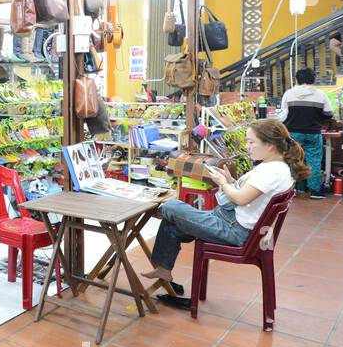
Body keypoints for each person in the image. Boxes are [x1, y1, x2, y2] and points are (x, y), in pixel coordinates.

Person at [140, 119, 308, 284]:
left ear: (269, 145)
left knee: (171, 206)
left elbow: (241, 199)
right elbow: (248, 195)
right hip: (233, 219)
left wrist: (223, 183)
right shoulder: (273, 166)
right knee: (172, 219)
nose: (247, 146)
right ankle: (164, 269)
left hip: (236, 231)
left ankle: (153, 214)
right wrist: (230, 181)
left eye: (251, 142)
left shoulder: (272, 172)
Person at [279, 67, 331, 199]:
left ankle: (289, 190)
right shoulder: (321, 94)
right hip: (313, 132)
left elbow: (282, 114)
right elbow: (329, 114)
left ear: (297, 79)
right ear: (313, 79)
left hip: (292, 133)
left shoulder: (288, 94)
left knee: (291, 159)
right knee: (314, 160)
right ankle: (314, 191)